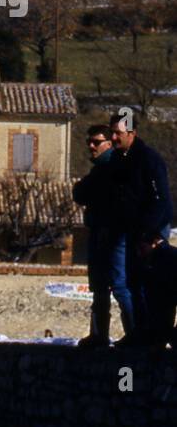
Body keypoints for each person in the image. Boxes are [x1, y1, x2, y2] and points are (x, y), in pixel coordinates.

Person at [109, 110, 173, 347]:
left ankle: (156, 337)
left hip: (150, 233)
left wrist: (150, 236)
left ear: (132, 134)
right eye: (112, 133)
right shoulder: (119, 161)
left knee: (154, 287)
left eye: (118, 133)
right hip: (131, 231)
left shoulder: (149, 160)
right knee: (132, 284)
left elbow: (162, 202)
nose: (114, 138)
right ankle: (140, 334)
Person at [72, 125, 130, 348]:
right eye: (90, 141)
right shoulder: (103, 168)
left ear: (108, 143)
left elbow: (81, 192)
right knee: (103, 286)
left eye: (96, 142)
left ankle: (126, 333)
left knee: (117, 285)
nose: (91, 146)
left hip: (110, 234)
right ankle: (101, 334)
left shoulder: (108, 166)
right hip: (102, 232)